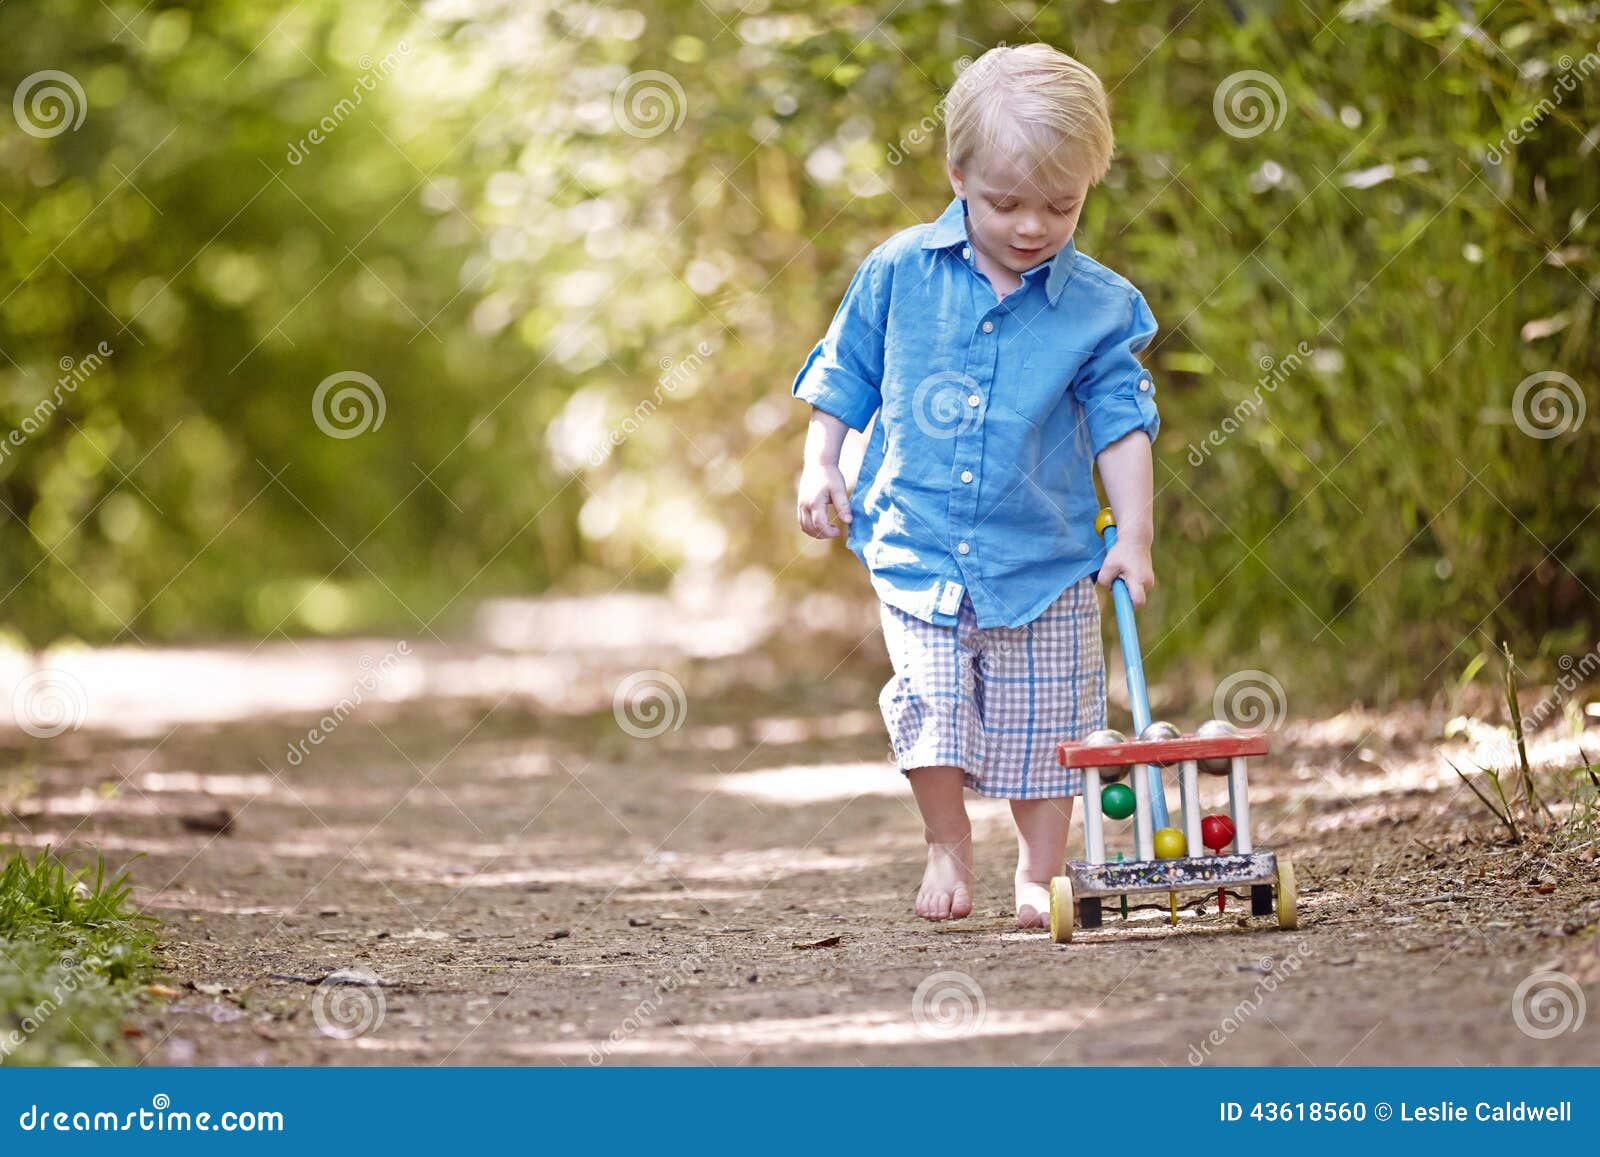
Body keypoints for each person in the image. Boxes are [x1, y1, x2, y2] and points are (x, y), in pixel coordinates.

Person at [792, 43, 1159, 928]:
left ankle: (1041, 869)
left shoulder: (1099, 306)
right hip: (915, 540)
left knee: (1049, 722)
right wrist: (820, 462)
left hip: (1047, 553)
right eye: (1006, 202)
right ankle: (947, 843)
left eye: (1059, 205)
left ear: (1086, 189)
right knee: (931, 704)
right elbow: (845, 377)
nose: (1032, 225)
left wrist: (1135, 536)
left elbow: (1122, 424)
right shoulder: (896, 272)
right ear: (957, 174)